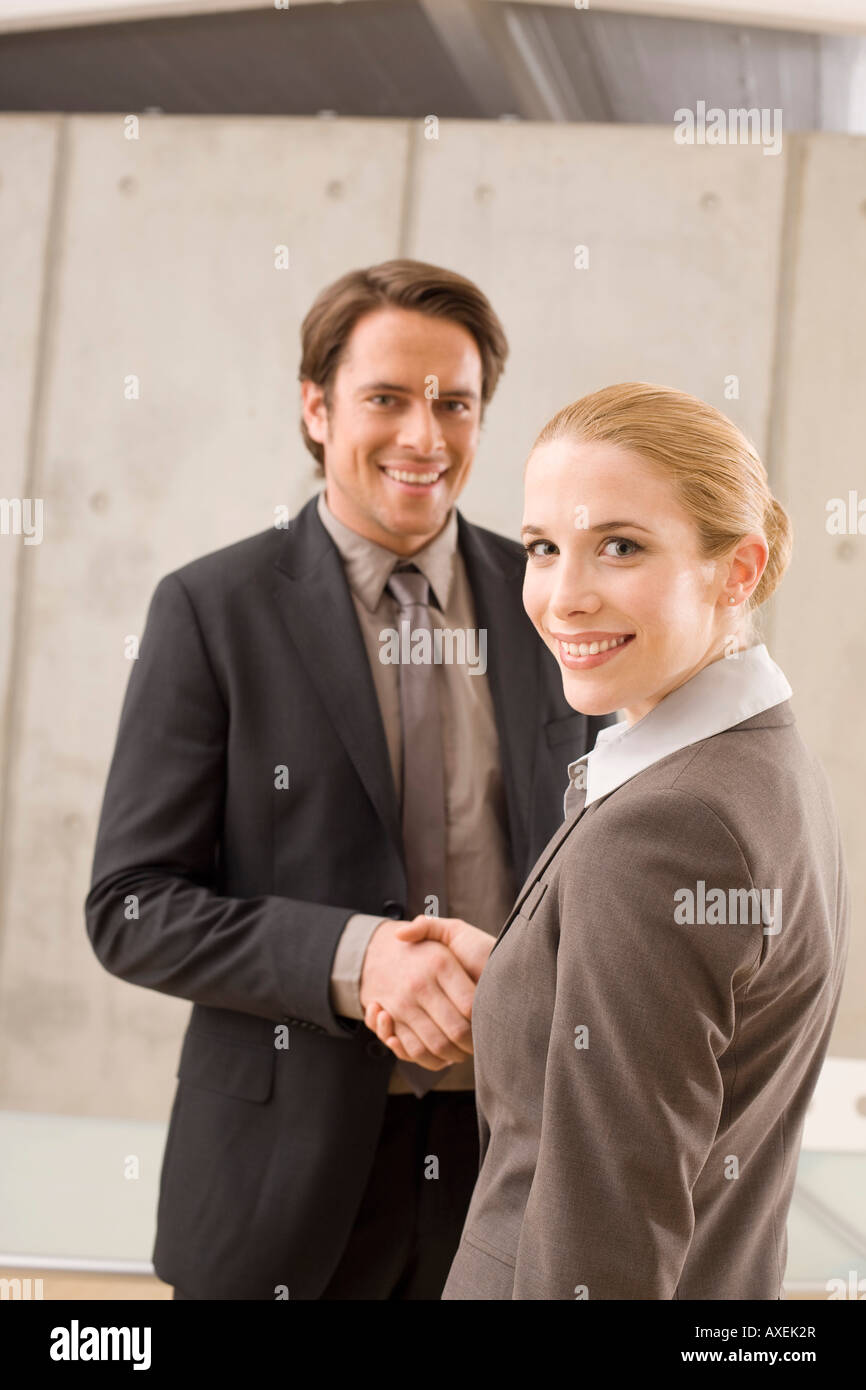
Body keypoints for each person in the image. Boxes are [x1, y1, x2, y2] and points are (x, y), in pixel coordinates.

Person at [83, 259, 611, 1300]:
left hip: (511, 1167)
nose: (424, 436)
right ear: (315, 409)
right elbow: (131, 905)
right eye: (385, 398)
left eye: (453, 404)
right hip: (279, 1183)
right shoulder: (212, 607)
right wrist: (354, 956)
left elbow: (598, 866)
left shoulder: (556, 599)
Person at [370, 381, 850, 1299]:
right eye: (544, 548)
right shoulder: (764, 762)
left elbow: (605, 1244)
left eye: (619, 547)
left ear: (736, 571)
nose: (562, 597)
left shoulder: (667, 831)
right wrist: (527, 969)